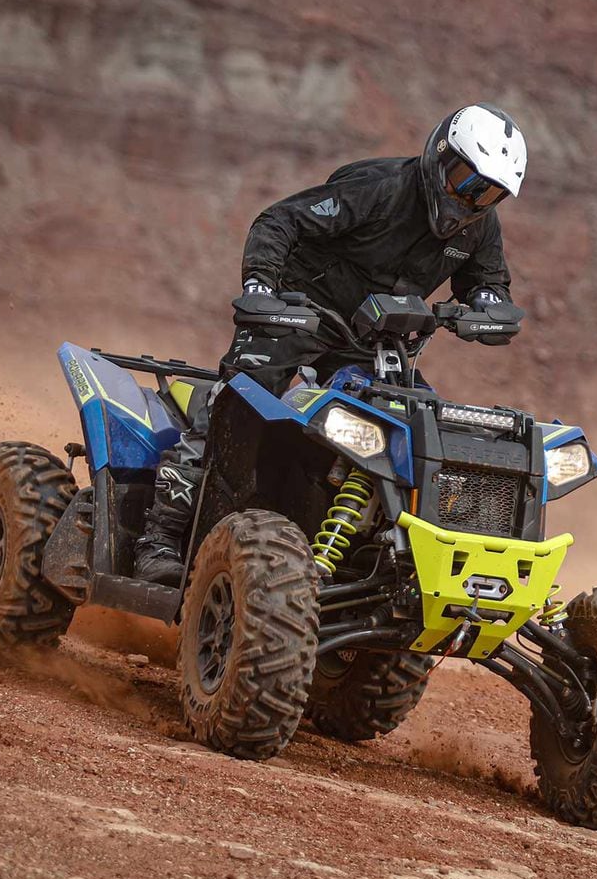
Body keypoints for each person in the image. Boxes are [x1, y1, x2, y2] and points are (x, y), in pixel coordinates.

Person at [133, 103, 529, 587]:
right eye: (466, 178)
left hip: (371, 342)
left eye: (487, 192)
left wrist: (488, 307)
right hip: (298, 315)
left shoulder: (479, 227)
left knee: (422, 429)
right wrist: (261, 286)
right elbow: (279, 222)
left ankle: (387, 568)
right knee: (238, 400)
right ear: (439, 154)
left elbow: (488, 284)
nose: (471, 198)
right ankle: (160, 540)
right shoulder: (379, 189)